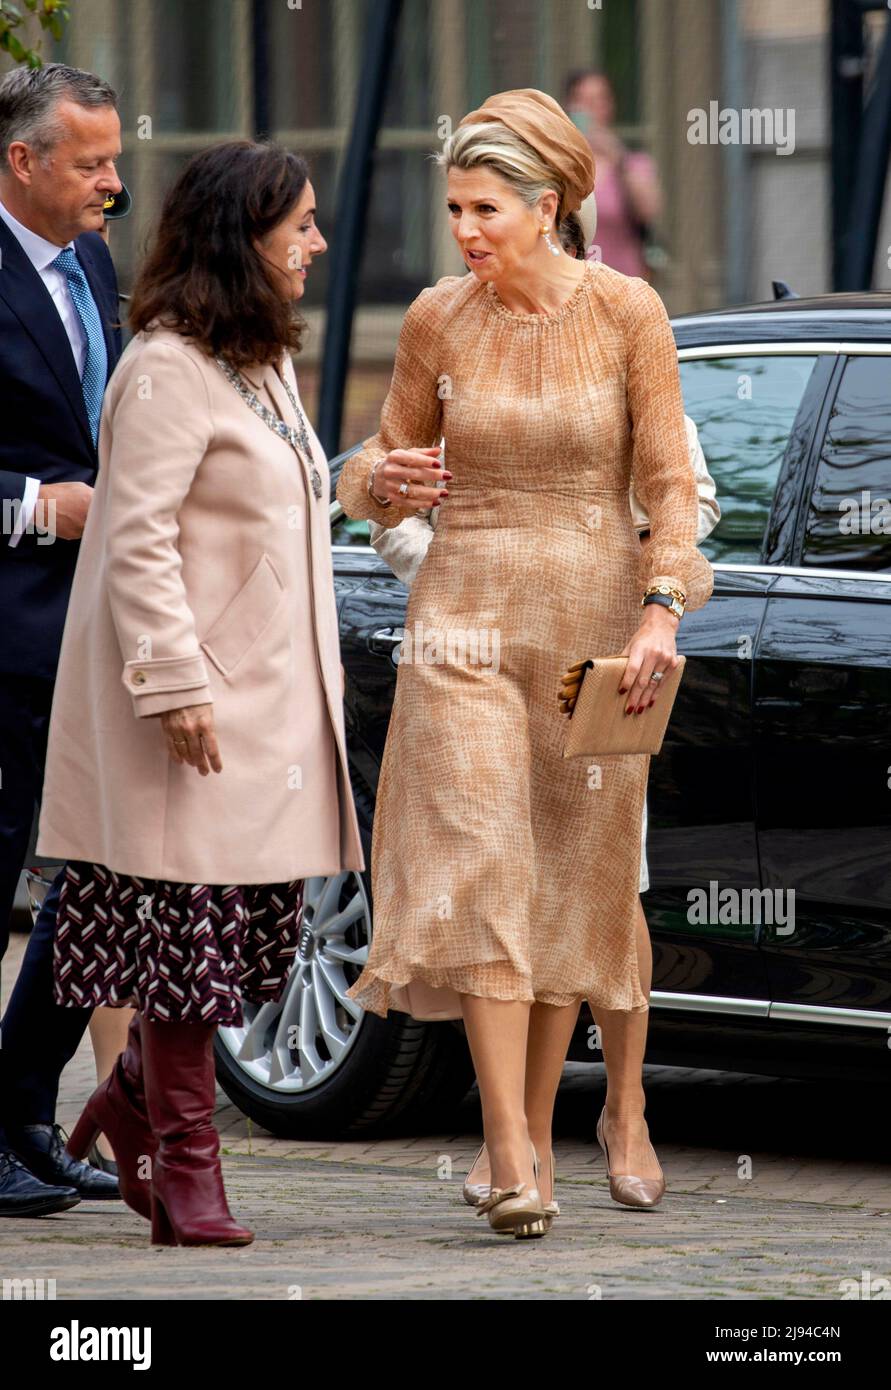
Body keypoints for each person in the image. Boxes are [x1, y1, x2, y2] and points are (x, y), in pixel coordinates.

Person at [336, 88, 713, 1239]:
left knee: (566, 882)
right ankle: (508, 1143)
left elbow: (665, 487)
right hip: (461, 626)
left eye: (485, 207)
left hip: (593, 628)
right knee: (485, 861)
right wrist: (376, 484)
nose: (465, 230)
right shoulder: (437, 319)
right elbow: (374, 469)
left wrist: (661, 609)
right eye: (453, 206)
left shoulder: (627, 313)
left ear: (546, 205)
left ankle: (549, 1135)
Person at [35, 139, 364, 1246]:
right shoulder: (167, 365)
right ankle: (186, 1166)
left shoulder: (257, 360)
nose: (317, 243)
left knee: (250, 938)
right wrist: (176, 683)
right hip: (191, 710)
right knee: (187, 941)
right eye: (302, 225)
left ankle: (127, 1098)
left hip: (266, 703)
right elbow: (134, 544)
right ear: (244, 235)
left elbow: (276, 513)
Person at [0, 62, 124, 1217]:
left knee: (98, 880)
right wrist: (39, 506)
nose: (113, 183)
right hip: (6, 636)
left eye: (116, 158)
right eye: (91, 164)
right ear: (22, 160)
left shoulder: (91, 260)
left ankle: (23, 1115)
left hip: (99, 634)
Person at [564, 68, 663, 280]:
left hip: (623, 279)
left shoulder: (631, 162)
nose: (592, 110)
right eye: (584, 101)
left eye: (599, 100)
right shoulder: (560, 163)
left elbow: (649, 210)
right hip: (574, 283)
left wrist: (619, 158)